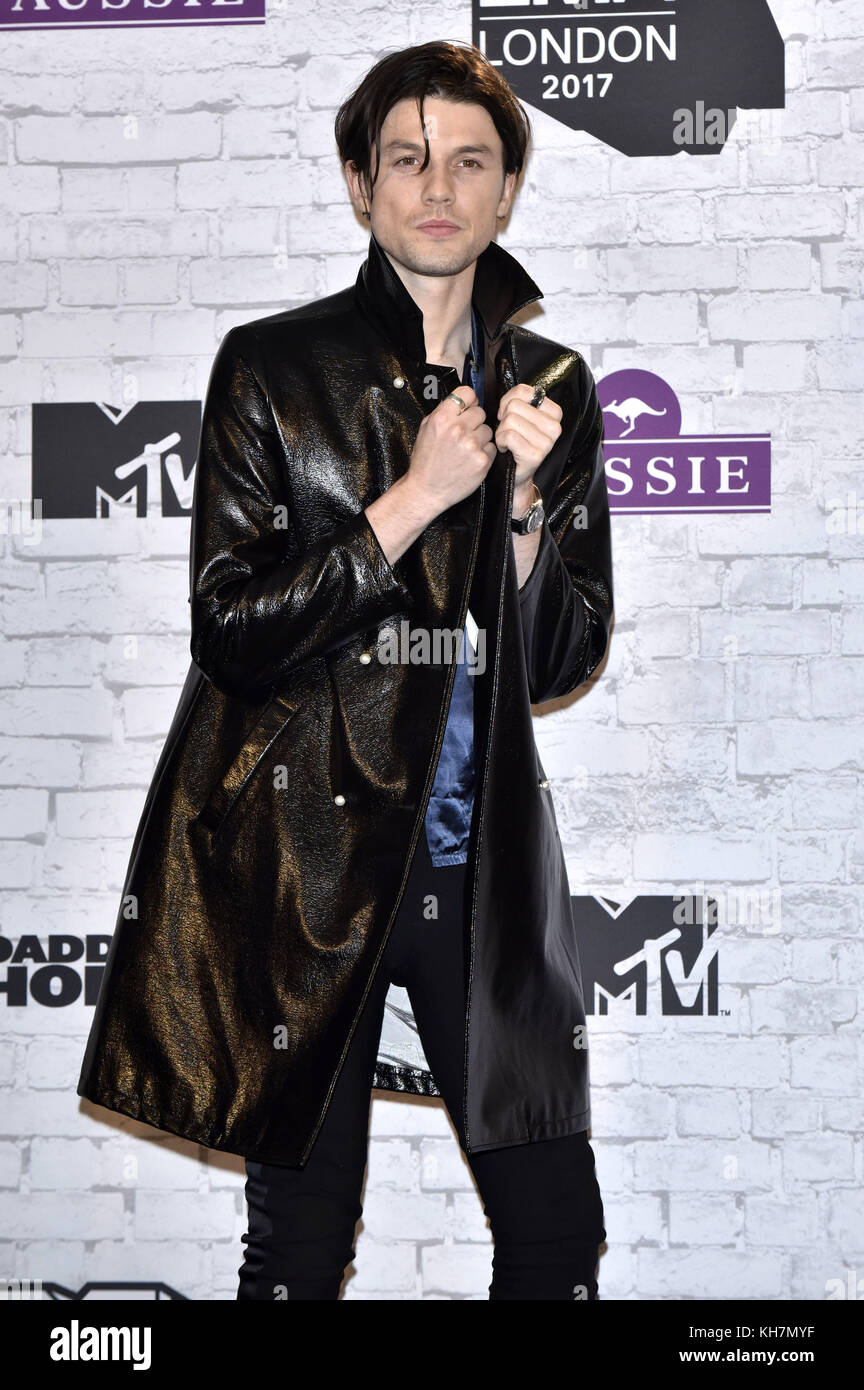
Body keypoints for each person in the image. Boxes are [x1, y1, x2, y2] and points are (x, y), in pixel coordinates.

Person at [77, 39, 614, 1301]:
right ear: (361, 185)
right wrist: (414, 499)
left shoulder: (552, 388)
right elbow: (232, 632)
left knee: (556, 1231)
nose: (439, 185)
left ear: (508, 191)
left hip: (475, 863)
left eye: (470, 161)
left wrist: (521, 509)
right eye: (407, 159)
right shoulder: (271, 366)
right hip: (305, 864)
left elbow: (562, 657)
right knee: (301, 1246)